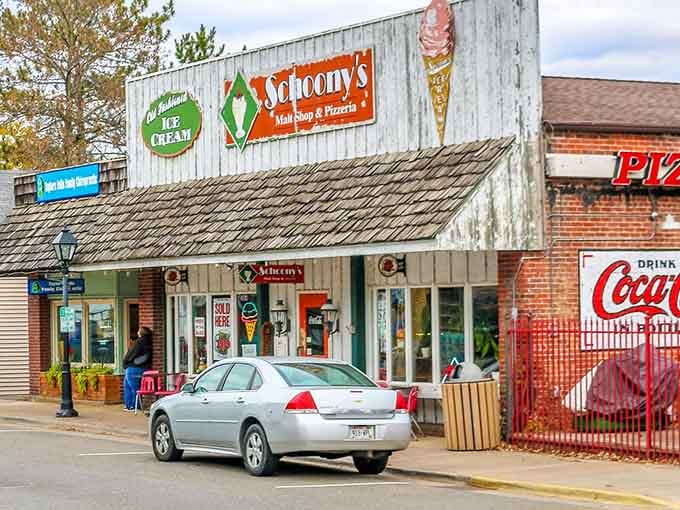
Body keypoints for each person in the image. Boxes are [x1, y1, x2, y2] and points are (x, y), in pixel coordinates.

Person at [122, 326, 153, 411]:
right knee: (134, 387)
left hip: (133, 368)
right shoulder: (150, 342)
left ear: (140, 333)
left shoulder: (139, 342)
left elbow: (130, 355)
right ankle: (132, 406)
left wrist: (125, 363)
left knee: (131, 387)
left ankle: (132, 406)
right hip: (144, 368)